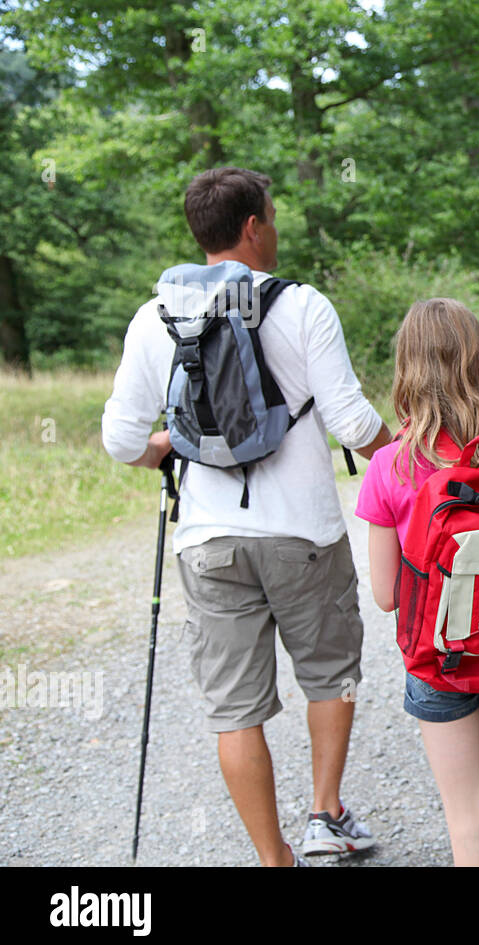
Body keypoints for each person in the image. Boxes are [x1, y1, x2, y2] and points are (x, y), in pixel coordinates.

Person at [102, 167, 393, 866]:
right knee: (330, 674)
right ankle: (326, 815)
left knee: (236, 709)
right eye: (273, 215)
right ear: (254, 226)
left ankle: (274, 858)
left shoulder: (156, 317)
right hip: (304, 536)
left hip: (208, 542)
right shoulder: (303, 306)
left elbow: (118, 441)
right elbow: (353, 424)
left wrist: (165, 448)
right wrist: (406, 448)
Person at [355, 298, 479, 867]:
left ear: (407, 371)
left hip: (437, 660)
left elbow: (386, 594)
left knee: (466, 809)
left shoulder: (391, 467)